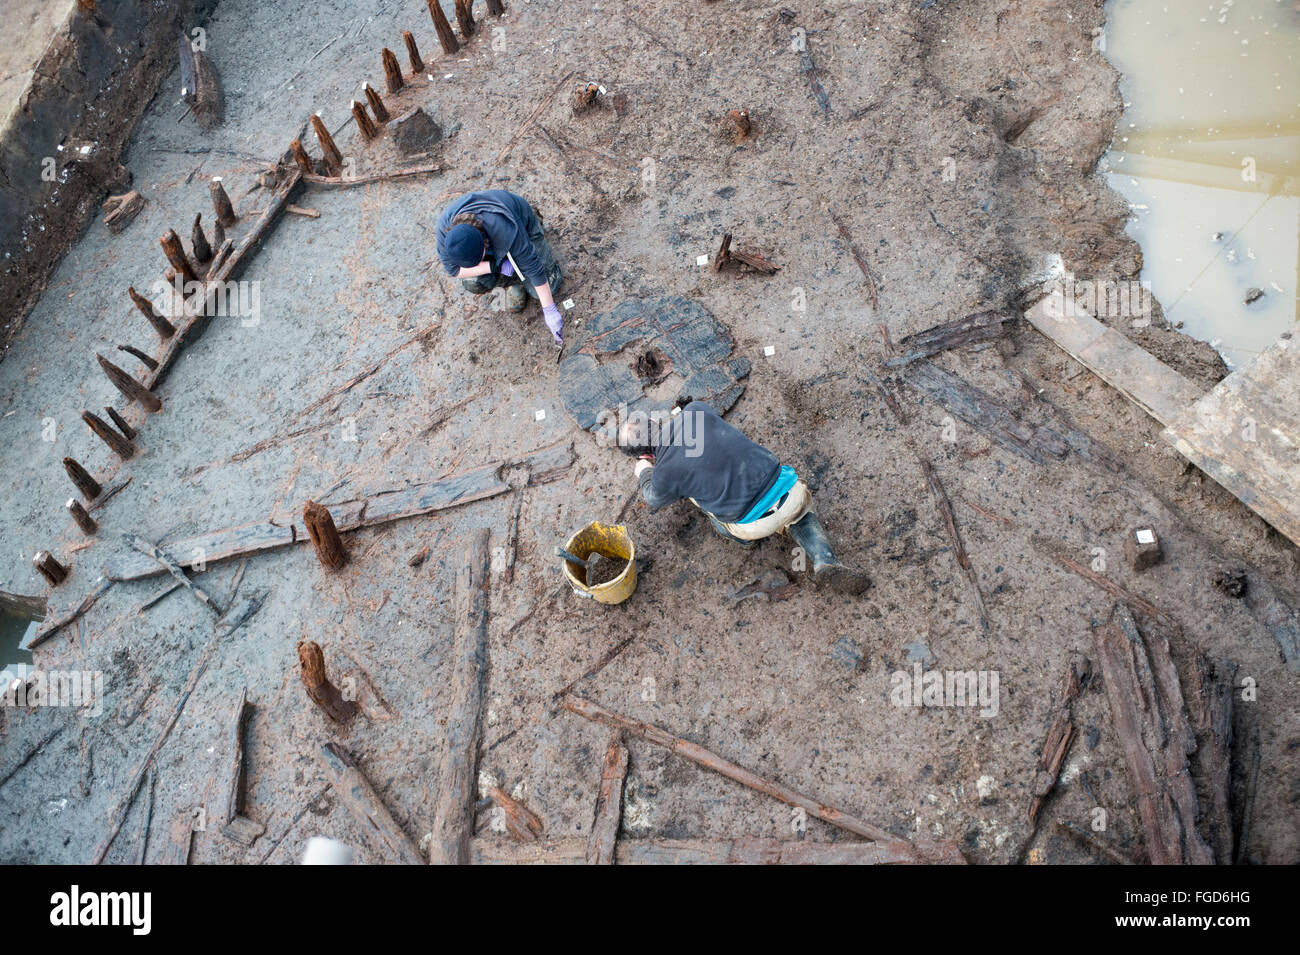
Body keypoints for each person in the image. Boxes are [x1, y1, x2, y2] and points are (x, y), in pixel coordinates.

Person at [615, 398, 870, 594]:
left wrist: (645, 472)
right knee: (800, 514)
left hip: (752, 524)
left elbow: (653, 497)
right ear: (656, 422)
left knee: (695, 496)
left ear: (646, 456)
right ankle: (825, 558)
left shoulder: (664, 475)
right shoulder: (695, 410)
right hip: (789, 490)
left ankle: (743, 539)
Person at [435, 189, 565, 344]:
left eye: (478, 259)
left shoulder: (502, 227)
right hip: (491, 245)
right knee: (473, 281)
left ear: (484, 243)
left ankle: (535, 229)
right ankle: (515, 281)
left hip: (521, 226)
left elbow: (533, 267)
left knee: (550, 286)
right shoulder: (445, 235)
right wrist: (494, 266)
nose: (476, 264)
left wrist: (550, 311)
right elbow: (454, 270)